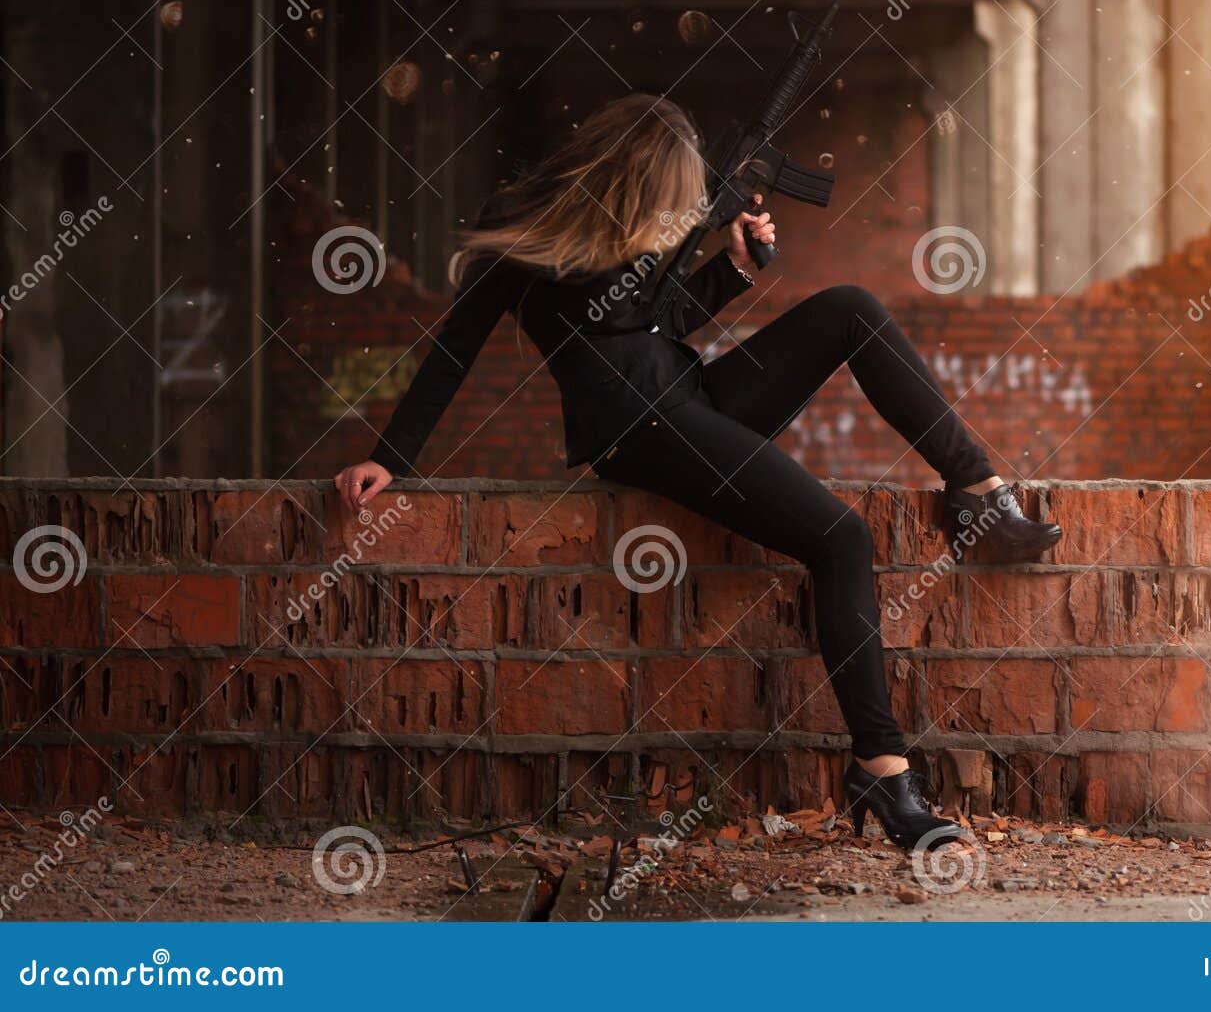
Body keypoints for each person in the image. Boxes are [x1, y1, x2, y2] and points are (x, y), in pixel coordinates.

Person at [334, 93, 1061, 851]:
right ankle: (882, 768)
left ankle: (977, 492)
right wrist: (392, 455)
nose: (676, 213)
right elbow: (456, 348)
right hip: (634, 432)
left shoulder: (633, 241)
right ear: (630, 178)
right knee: (840, 537)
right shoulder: (522, 227)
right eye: (668, 197)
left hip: (690, 398)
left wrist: (735, 269)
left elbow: (657, 327)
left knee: (850, 307)